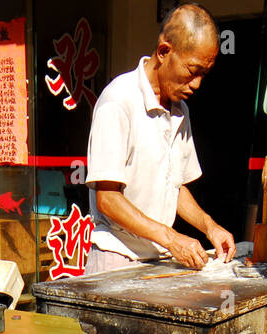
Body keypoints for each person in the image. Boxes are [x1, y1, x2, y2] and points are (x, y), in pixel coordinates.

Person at [84, 3, 235, 275]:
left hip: (159, 259)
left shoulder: (179, 109)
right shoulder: (118, 101)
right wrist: (171, 238)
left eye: (204, 74)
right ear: (165, 51)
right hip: (117, 259)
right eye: (193, 70)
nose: (197, 83)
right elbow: (107, 198)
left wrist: (209, 226)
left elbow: (174, 185)